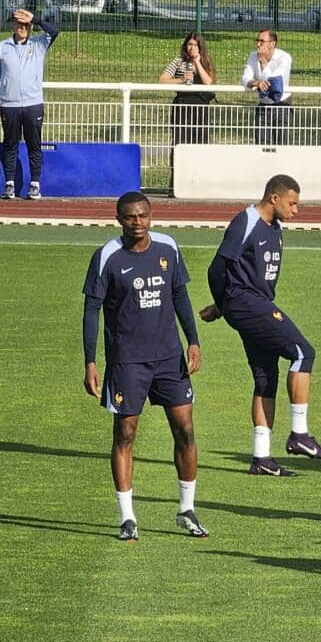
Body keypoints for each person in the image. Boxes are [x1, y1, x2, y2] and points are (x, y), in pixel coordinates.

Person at [83, 193, 208, 542]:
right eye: (129, 217)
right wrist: (90, 361)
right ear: (119, 219)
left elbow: (180, 295)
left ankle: (187, 510)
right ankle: (127, 518)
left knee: (185, 430)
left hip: (169, 358)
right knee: (125, 435)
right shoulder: (107, 257)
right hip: (127, 361)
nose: (137, 222)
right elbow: (91, 310)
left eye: (142, 216)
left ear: (151, 216)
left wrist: (193, 340)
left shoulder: (168, 248)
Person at [198, 175, 321, 476]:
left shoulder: (276, 227)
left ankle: (261, 458)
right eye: (292, 203)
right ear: (274, 198)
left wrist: (225, 307)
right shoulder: (246, 221)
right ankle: (299, 434)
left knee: (265, 378)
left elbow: (247, 271)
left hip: (253, 304)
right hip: (247, 303)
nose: (296, 210)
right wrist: (226, 304)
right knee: (302, 353)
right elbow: (217, 267)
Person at [0, 8, 59, 200]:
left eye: (26, 25)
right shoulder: (2, 46)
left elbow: (54, 31)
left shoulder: (39, 43)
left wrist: (36, 19)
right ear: (14, 25)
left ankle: (35, 184)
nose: (22, 28)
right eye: (19, 24)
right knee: (10, 145)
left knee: (33, 145)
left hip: (33, 103)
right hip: (9, 104)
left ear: (30, 27)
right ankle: (9, 184)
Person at [159, 32, 217, 147]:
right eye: (190, 44)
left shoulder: (206, 62)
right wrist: (181, 80)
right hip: (182, 104)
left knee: (200, 140)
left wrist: (197, 62)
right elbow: (162, 80)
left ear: (200, 47)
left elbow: (208, 82)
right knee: (180, 139)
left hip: (201, 106)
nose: (192, 48)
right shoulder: (178, 61)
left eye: (196, 45)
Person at [242, 29, 293, 146]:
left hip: (282, 104)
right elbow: (245, 79)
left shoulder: (285, 58)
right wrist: (256, 83)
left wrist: (263, 62)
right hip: (264, 104)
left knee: (281, 145)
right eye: (257, 40)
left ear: (272, 43)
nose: (258, 44)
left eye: (262, 41)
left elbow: (273, 81)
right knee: (262, 144)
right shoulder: (253, 56)